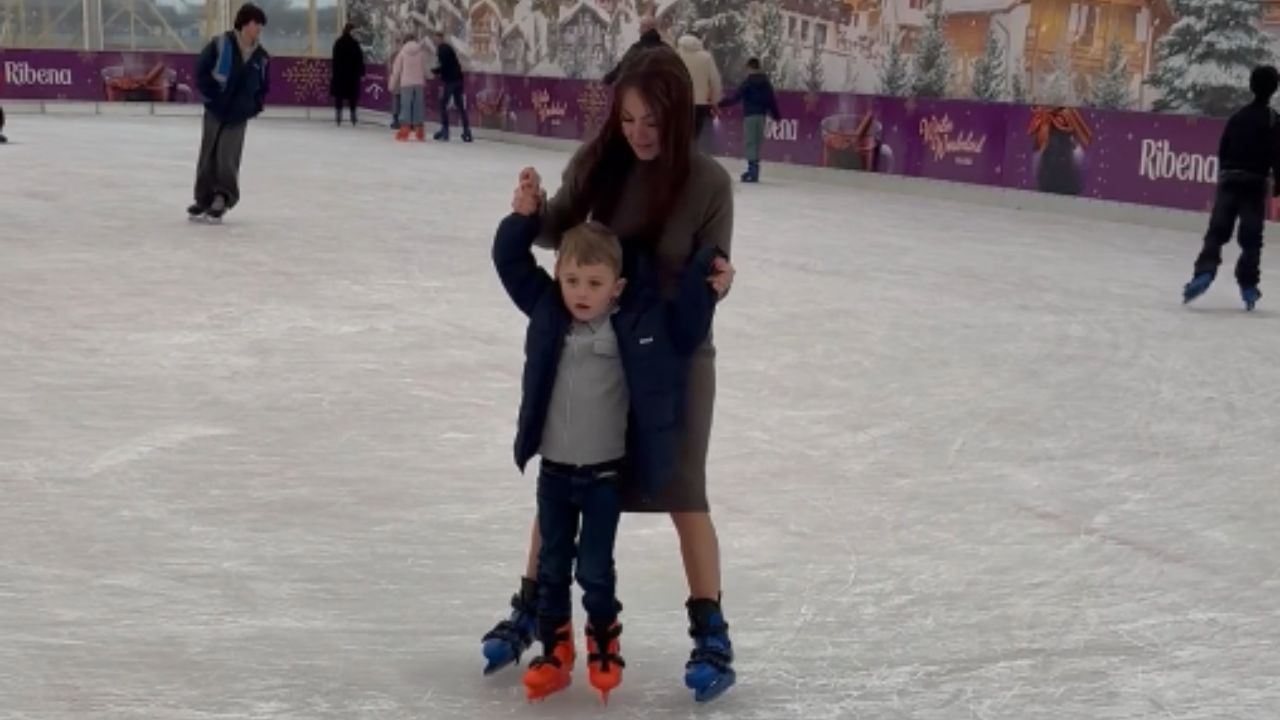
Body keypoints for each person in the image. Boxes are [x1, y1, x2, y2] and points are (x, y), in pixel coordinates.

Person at [483, 47, 739, 704]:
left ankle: (710, 630)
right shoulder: (600, 166)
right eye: (628, 120)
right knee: (564, 476)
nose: (639, 134)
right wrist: (529, 208)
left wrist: (721, 283)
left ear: (681, 115)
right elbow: (551, 232)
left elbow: (711, 275)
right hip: (596, 352)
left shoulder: (709, 185)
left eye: (652, 120)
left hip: (675, 359)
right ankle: (531, 603)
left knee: (684, 492)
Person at [491, 200, 721, 703]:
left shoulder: (633, 326)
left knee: (594, 569)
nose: (581, 293)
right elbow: (510, 262)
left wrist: (708, 272)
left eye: (594, 284)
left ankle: (603, 641)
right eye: (572, 280)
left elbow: (684, 328)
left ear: (616, 287)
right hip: (554, 473)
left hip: (602, 477)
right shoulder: (550, 310)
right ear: (559, 277)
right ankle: (556, 649)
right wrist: (525, 219)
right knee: (551, 567)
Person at [1184, 65, 1280, 311]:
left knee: (1217, 232)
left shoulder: (1237, 117)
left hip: (1230, 180)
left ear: (1251, 86)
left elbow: (1223, 149)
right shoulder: (1273, 120)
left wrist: (1226, 173)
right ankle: (1248, 284)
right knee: (1251, 238)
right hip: (1254, 184)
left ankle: (1204, 272)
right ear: (1274, 89)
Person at [188, 2, 270, 222]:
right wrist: (210, 97)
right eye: (256, 23)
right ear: (245, 23)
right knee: (208, 155)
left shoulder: (261, 57)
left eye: (260, 24)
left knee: (228, 157)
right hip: (216, 109)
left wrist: (254, 107)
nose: (259, 28)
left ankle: (222, 197)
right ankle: (203, 198)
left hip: (238, 115)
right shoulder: (221, 44)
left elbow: (263, 86)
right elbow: (202, 70)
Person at [718, 57, 781, 183]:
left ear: (749, 67)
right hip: (761, 116)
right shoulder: (766, 83)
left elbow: (736, 98)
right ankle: (754, 170)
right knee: (757, 142)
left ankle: (753, 171)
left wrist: (720, 104)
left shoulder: (748, 82)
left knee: (750, 142)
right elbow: (771, 101)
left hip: (750, 115)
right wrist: (776, 116)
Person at [676, 31, 722, 149]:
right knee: (698, 140)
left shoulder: (675, 56)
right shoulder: (706, 58)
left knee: (680, 138)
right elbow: (715, 81)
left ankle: (681, 163)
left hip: (680, 104)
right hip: (701, 105)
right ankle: (696, 162)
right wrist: (715, 101)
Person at [431, 30, 472, 142]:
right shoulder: (447, 48)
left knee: (443, 104)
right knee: (459, 105)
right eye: (433, 38)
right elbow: (451, 64)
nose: (434, 41)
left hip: (451, 81)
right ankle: (466, 130)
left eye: (435, 38)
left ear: (440, 38)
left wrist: (434, 71)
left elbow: (444, 66)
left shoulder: (442, 49)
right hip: (458, 79)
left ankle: (445, 130)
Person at [602, 15, 665, 86]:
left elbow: (621, 68)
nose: (639, 30)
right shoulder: (667, 50)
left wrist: (606, 80)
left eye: (641, 27)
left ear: (646, 28)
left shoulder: (637, 49)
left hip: (640, 91)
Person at [389, 33, 429, 141]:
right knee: (418, 106)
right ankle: (420, 131)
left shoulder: (402, 53)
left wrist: (392, 85)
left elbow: (396, 71)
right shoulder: (421, 52)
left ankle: (404, 131)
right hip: (419, 83)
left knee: (405, 106)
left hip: (406, 83)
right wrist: (429, 76)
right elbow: (425, 68)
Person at [330, 23, 365, 127]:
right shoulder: (355, 44)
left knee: (339, 96)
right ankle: (353, 115)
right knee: (352, 96)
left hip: (340, 74)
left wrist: (334, 73)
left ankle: (338, 116)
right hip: (352, 75)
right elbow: (360, 60)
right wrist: (361, 72)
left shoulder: (338, 42)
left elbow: (334, 60)